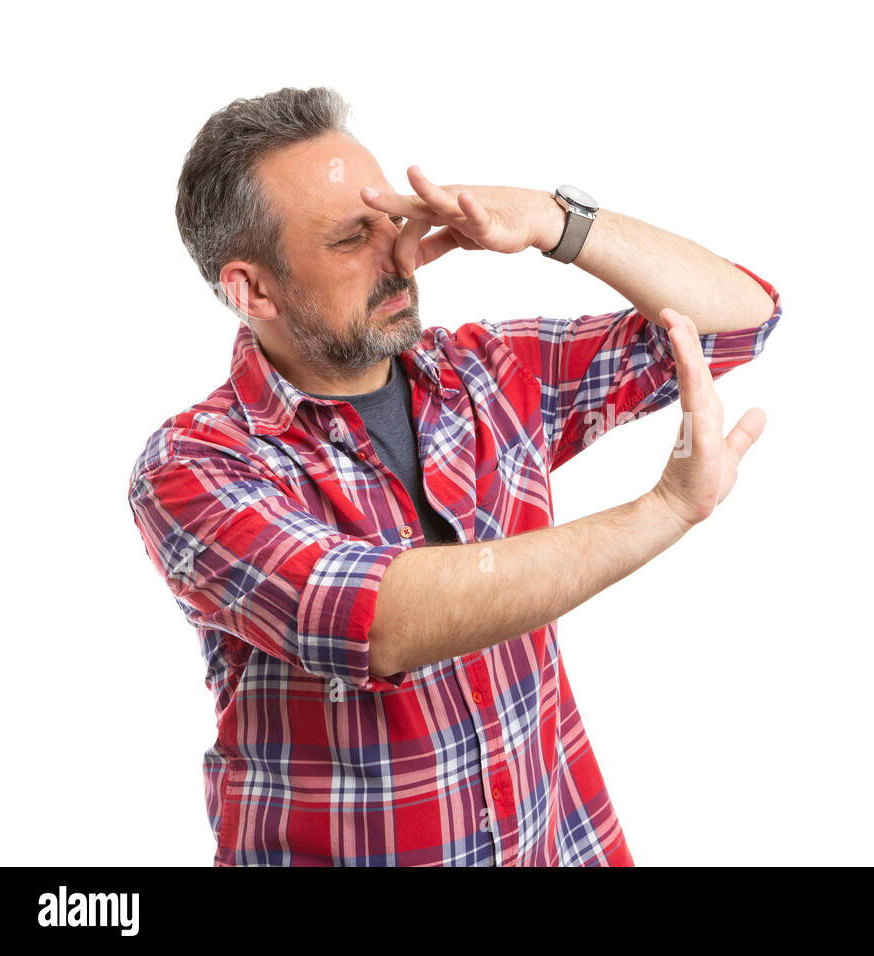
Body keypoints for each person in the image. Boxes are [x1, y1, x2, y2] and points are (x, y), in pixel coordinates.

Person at [127, 86, 782, 866]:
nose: (399, 254)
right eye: (351, 239)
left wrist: (555, 222)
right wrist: (664, 512)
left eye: (393, 223)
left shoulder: (486, 374)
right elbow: (377, 621)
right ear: (252, 289)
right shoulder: (195, 467)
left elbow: (740, 320)